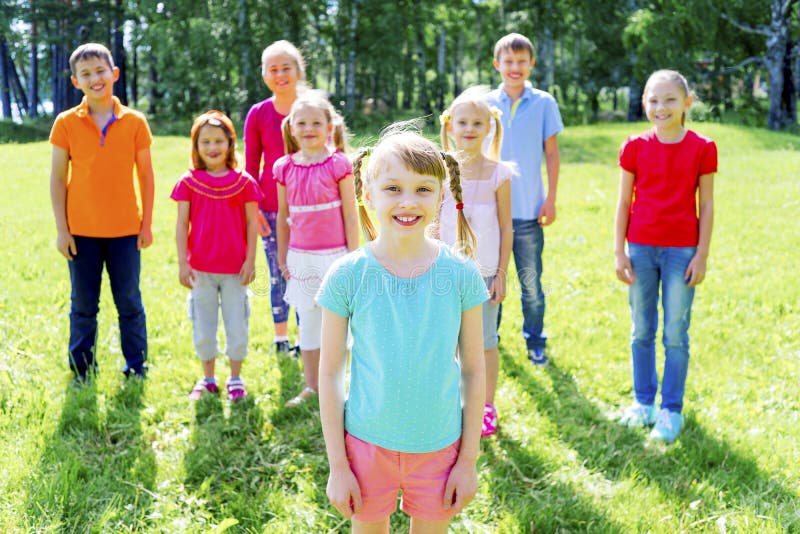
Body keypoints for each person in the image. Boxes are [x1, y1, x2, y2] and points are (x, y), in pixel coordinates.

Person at [317, 128, 488, 531]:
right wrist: (338, 466)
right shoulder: (347, 276)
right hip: (365, 446)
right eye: (393, 188)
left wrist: (467, 461)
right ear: (368, 194)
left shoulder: (461, 274)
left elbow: (474, 371)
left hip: (439, 447)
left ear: (441, 194)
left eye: (423, 189)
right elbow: (328, 374)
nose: (408, 202)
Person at [615, 70, 717, 443]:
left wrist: (701, 255)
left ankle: (671, 410)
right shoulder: (634, 146)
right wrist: (619, 251)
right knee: (641, 329)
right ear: (645, 103)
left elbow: (705, 205)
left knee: (675, 333)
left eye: (670, 99)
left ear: (686, 103)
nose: (661, 107)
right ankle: (643, 403)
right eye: (653, 100)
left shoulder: (703, 147)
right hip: (640, 248)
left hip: (682, 251)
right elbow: (624, 202)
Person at [49, 43, 155, 386]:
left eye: (100, 71)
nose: (95, 79)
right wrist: (62, 230)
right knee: (83, 305)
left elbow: (146, 175)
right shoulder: (65, 123)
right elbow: (57, 178)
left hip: (125, 230)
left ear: (114, 74)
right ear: (75, 82)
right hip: (81, 232)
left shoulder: (135, 122)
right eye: (86, 74)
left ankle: (136, 366)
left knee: (129, 302)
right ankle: (82, 370)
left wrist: (147, 223)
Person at [171, 111, 262, 402]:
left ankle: (235, 378)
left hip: (236, 271)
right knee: (204, 324)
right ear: (196, 146)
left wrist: (251, 260)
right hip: (201, 271)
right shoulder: (188, 182)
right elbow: (181, 224)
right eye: (205, 141)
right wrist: (182, 262)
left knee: (237, 323)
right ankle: (208, 377)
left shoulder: (244, 182)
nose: (213, 147)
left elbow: (251, 224)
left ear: (230, 143)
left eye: (219, 141)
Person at [275, 91, 359, 407]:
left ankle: (340, 385)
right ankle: (312, 386)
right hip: (302, 259)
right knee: (308, 323)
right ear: (291, 128)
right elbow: (283, 219)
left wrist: (353, 258)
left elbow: (350, 215)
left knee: (338, 323)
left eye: (316, 122)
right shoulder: (284, 168)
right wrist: (283, 258)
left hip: (337, 257)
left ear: (329, 126)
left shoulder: (339, 164)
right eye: (302, 122)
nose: (309, 128)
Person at [439, 87, 513, 438]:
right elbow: (433, 225)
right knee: (450, 342)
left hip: (483, 276)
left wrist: (501, 274)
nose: (469, 128)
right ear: (450, 126)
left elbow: (505, 226)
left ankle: (485, 405)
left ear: (489, 128)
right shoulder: (440, 171)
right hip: (445, 276)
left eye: (477, 123)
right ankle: (455, 402)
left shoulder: (499, 174)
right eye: (462, 122)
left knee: (484, 342)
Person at [486, 33, 563, 367]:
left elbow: (552, 153)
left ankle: (535, 341)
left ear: (532, 63)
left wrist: (552, 198)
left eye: (521, 62)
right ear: (497, 64)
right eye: (508, 61)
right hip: (490, 214)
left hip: (529, 213)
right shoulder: (484, 104)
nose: (514, 68)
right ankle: (491, 339)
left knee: (531, 285)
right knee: (492, 282)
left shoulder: (544, 102)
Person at [244, 40, 307, 356]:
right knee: (279, 272)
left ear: (298, 70)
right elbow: (251, 166)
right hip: (270, 209)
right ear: (264, 74)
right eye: (273, 69)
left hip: (312, 209)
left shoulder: (312, 109)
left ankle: (306, 337)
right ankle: (282, 339)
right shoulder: (258, 113)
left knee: (307, 272)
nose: (280, 75)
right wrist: (253, 210)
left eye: (286, 68)